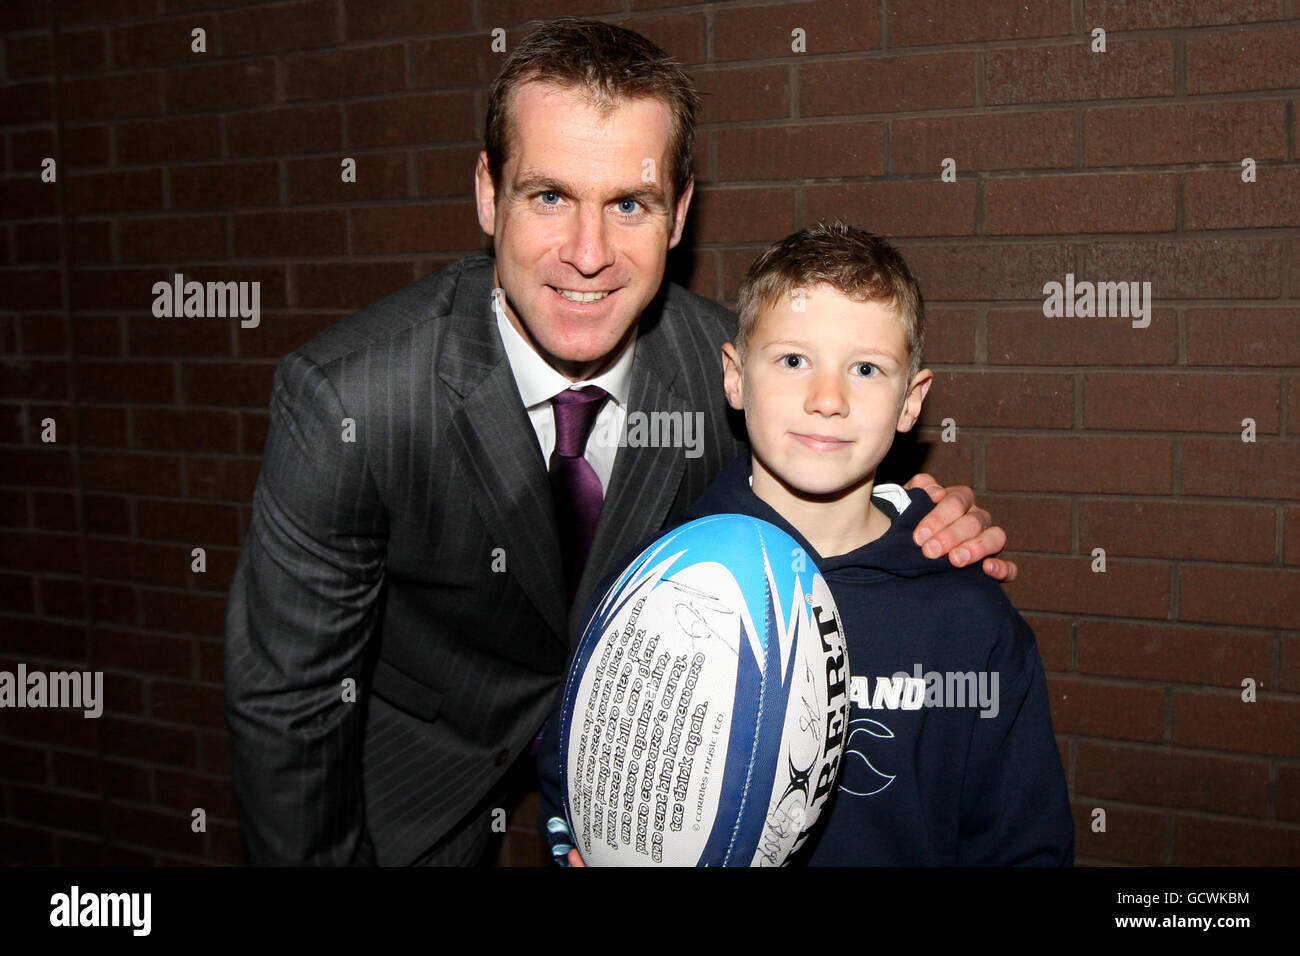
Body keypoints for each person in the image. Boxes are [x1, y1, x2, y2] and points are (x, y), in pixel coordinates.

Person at [224, 18, 1016, 867]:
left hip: (649, 776)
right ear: (490, 195)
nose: (588, 255)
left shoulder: (733, 380)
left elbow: (814, 488)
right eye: (550, 196)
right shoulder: (352, 398)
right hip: (420, 773)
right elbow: (289, 701)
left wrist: (912, 519)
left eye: (628, 204)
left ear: (677, 215)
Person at [539, 221, 1072, 866]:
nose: (827, 399)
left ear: (912, 401)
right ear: (735, 377)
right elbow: (573, 776)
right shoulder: (652, 587)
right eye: (794, 360)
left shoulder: (969, 620)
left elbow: (1022, 848)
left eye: (867, 369)